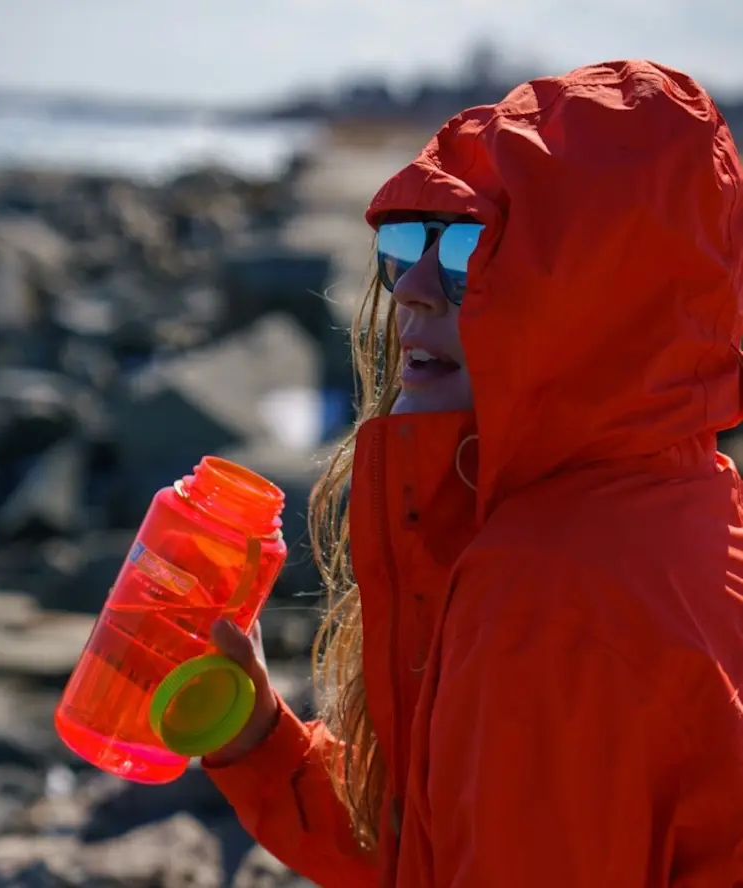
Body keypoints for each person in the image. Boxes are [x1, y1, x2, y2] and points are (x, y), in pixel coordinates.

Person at [205, 59, 743, 886]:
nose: (413, 288)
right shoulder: (693, 504)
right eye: (406, 242)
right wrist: (257, 742)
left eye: (470, 249)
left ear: (599, 301)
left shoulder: (549, 603)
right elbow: (449, 845)